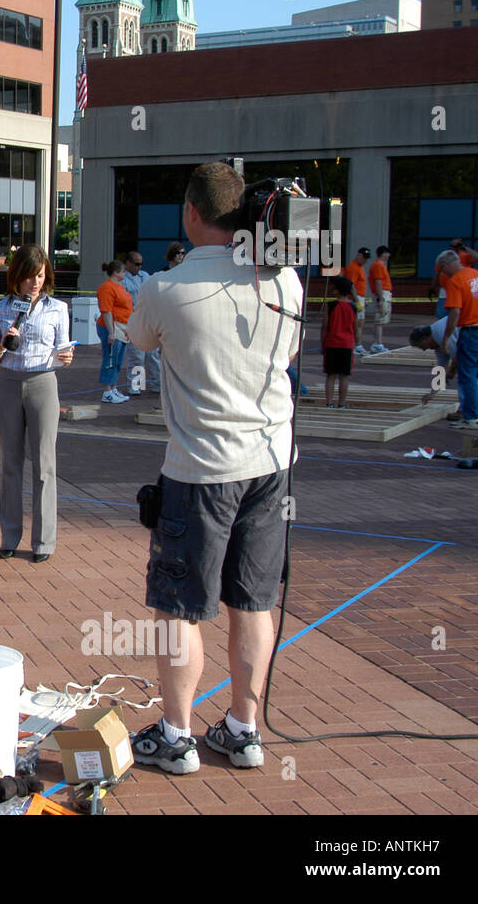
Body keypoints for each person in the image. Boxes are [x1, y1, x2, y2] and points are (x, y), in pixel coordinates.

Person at [126, 161, 302, 775]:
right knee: (253, 602)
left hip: (199, 470)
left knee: (179, 607)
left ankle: (176, 736)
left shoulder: (164, 289)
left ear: (191, 213)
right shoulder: (287, 284)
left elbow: (140, 340)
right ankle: (243, 730)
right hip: (271, 467)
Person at [0, 244, 75, 563]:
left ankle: (43, 542)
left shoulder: (58, 309)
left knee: (44, 465)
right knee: (11, 463)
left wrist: (67, 357)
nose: (35, 283)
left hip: (43, 384)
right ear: (16, 277)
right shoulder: (0, 309)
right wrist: (3, 345)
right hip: (8, 383)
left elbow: (64, 353)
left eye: (40, 275)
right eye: (28, 277)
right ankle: (9, 536)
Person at [437, 248, 478, 430]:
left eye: (442, 270)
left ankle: (472, 417)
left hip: (469, 331)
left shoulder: (456, 281)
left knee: (468, 377)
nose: (443, 274)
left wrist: (446, 338)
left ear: (446, 266)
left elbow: (455, 311)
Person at [119, 251, 160, 395]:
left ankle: (157, 384)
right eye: (136, 264)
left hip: (149, 320)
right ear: (129, 263)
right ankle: (136, 386)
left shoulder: (146, 276)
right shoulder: (123, 280)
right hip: (134, 321)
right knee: (137, 357)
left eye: (141, 264)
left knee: (153, 355)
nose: (139, 267)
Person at [96, 260, 133, 403]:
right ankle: (107, 391)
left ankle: (113, 387)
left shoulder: (120, 287)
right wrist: (111, 332)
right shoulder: (107, 288)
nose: (125, 273)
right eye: (123, 271)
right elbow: (106, 311)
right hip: (111, 326)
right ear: (116, 272)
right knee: (110, 358)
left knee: (118, 359)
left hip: (122, 326)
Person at [321, 277, 357, 408]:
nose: (331, 289)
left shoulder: (330, 306)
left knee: (331, 375)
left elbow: (325, 326)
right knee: (344, 376)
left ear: (338, 290)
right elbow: (356, 326)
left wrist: (322, 343)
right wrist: (357, 343)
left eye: (333, 287)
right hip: (347, 345)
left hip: (332, 343)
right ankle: (342, 403)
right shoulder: (353, 307)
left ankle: (329, 402)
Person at [343, 248, 369, 356]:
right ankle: (355, 346)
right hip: (355, 298)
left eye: (366, 258)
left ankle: (358, 345)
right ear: (358, 255)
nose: (365, 260)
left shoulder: (359, 267)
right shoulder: (353, 267)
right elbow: (351, 285)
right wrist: (357, 301)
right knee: (356, 323)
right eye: (363, 257)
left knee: (360, 323)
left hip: (359, 298)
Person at [367, 246, 393, 353]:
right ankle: (378, 343)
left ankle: (377, 343)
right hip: (382, 294)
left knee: (381, 321)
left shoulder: (380, 265)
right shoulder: (378, 266)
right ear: (383, 254)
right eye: (387, 253)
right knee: (379, 320)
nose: (389, 255)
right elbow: (378, 282)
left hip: (384, 294)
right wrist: (381, 299)